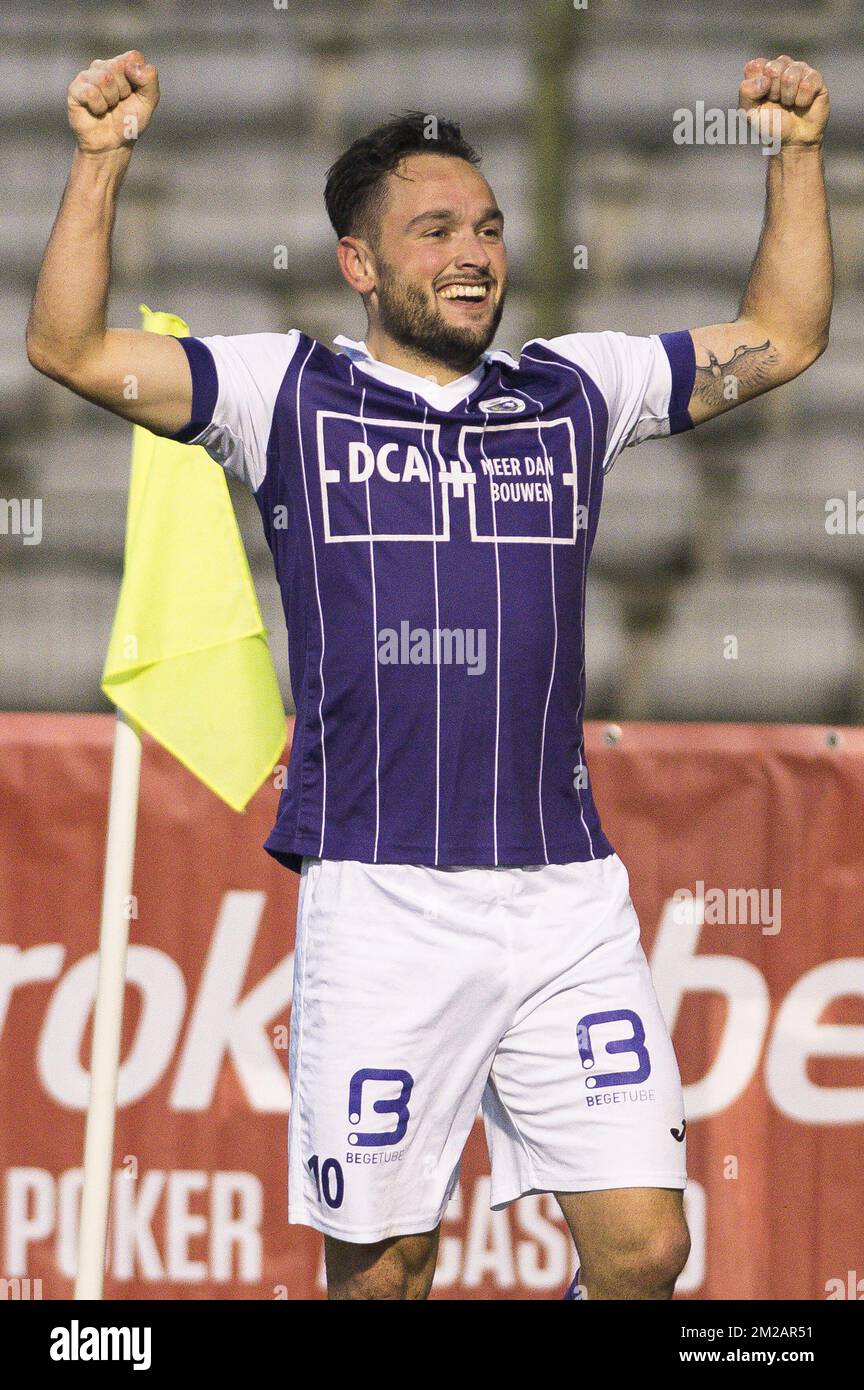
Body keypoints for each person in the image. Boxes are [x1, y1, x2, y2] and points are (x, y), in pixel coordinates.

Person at [27, 49, 832, 1300]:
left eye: (492, 228)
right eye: (436, 228)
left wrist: (795, 153)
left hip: (565, 895)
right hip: (383, 901)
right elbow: (68, 347)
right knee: (390, 1265)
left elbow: (783, 338)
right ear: (359, 263)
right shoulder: (282, 392)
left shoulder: (576, 387)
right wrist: (99, 160)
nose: (475, 252)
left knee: (649, 1250)